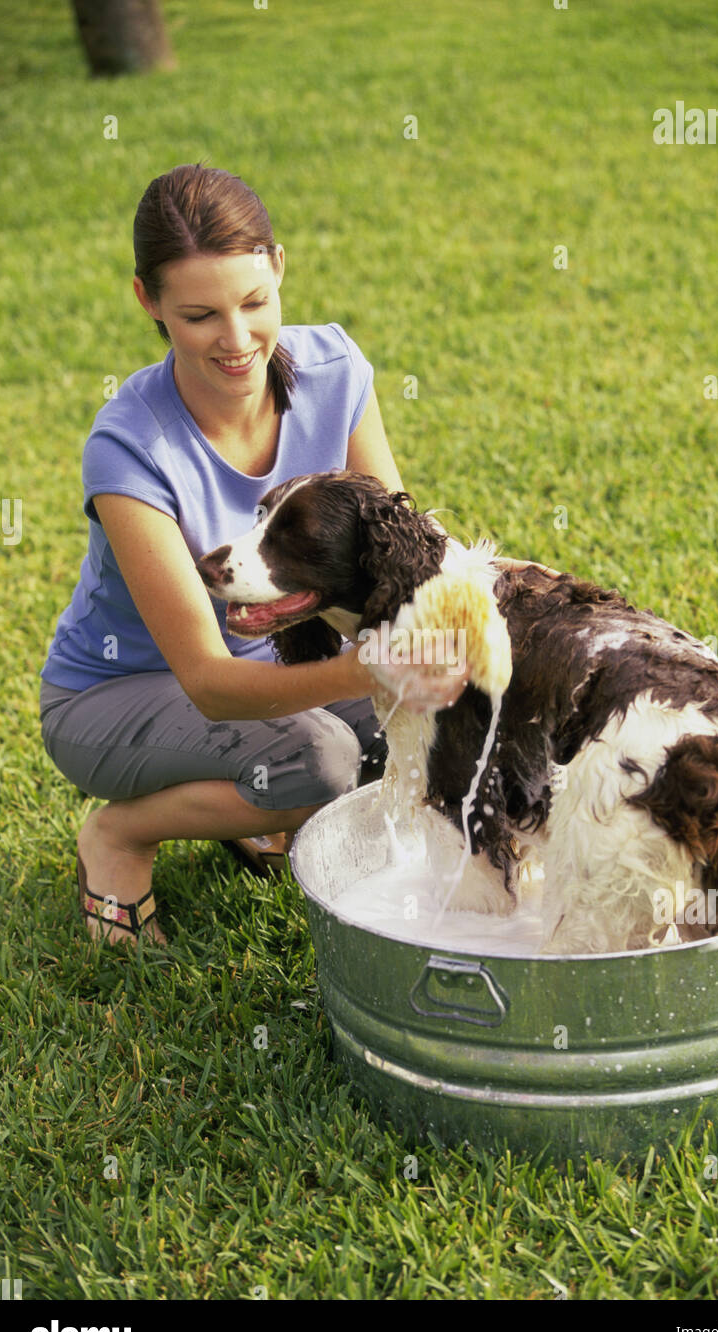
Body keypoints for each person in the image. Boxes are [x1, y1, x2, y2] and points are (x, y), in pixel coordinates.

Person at [39, 163, 466, 947]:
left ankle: (252, 802)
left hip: (275, 666)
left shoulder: (335, 372)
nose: (237, 342)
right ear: (148, 301)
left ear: (279, 268)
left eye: (254, 303)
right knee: (325, 762)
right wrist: (374, 672)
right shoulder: (130, 447)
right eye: (200, 315)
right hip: (119, 695)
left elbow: (396, 558)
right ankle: (121, 834)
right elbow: (206, 681)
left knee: (424, 729)